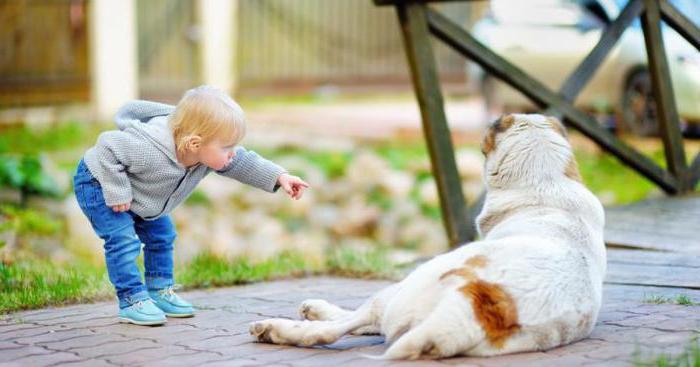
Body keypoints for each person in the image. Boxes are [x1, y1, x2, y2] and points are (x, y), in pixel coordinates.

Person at [73, 85, 308, 325]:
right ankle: (132, 299)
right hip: (99, 182)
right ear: (195, 144)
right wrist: (118, 191)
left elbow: (244, 162)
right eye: (227, 147)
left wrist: (280, 177)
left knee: (162, 235)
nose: (232, 154)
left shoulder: (205, 154)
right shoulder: (148, 148)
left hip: (141, 194)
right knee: (123, 240)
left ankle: (159, 291)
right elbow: (107, 148)